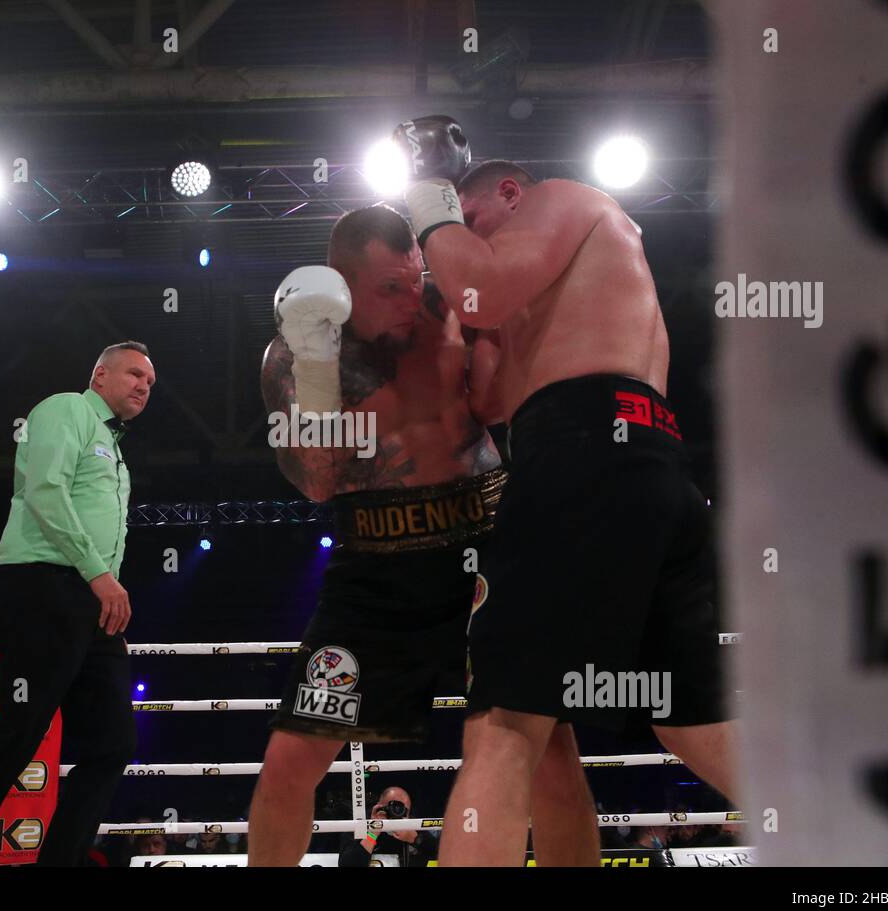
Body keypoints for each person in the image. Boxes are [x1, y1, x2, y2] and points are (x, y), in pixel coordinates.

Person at [392, 115, 738, 865]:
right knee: (691, 725)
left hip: (583, 456)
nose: (459, 237)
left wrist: (428, 192)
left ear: (510, 193)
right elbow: (484, 404)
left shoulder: (564, 199)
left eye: (471, 218)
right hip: (643, 467)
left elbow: (478, 284)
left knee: (503, 724)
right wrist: (445, 320)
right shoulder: (537, 297)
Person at [247, 204, 600, 867]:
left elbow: (497, 406)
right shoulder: (295, 354)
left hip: (487, 554)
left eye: (416, 280)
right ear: (341, 283)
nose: (414, 299)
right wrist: (319, 367)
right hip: (374, 574)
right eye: (391, 288)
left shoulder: (450, 308)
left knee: (551, 756)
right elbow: (318, 481)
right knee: (291, 761)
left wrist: (490, 330)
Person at [0, 342, 155, 866]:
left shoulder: (113, 445)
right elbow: (45, 491)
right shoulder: (64, 409)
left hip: (93, 601)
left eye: (150, 381)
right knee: (20, 733)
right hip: (43, 585)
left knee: (113, 742)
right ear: (100, 374)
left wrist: (106, 593)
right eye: (134, 373)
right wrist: (101, 577)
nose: (144, 385)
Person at [338, 787, 434, 867]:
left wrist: (416, 839)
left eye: (402, 810)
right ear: (379, 807)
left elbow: (439, 850)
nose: (396, 814)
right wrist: (373, 833)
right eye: (393, 808)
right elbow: (347, 864)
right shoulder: (361, 823)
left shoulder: (411, 824)